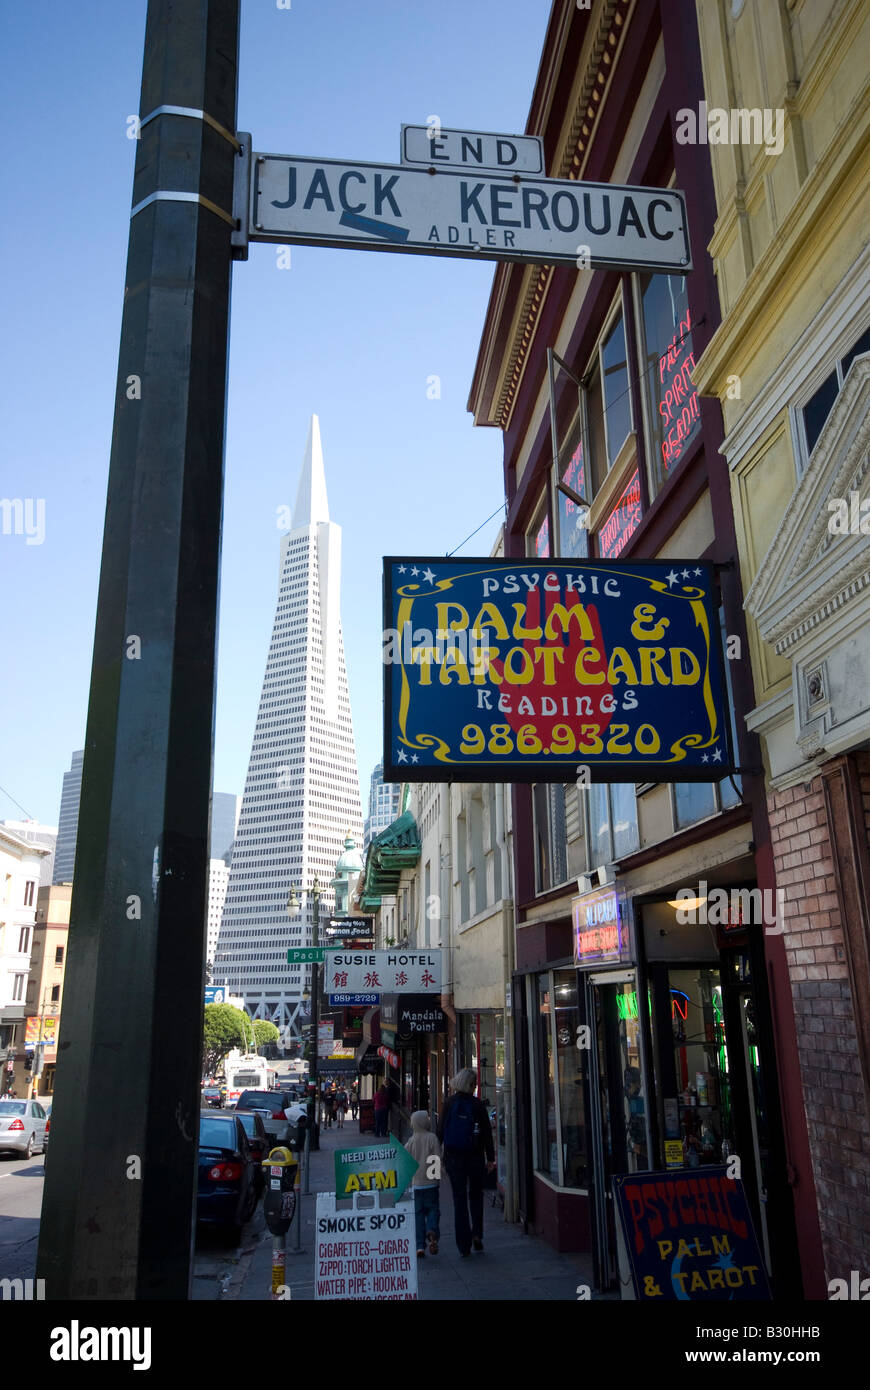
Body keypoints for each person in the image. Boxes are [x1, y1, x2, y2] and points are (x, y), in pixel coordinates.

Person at [437, 1068, 495, 1257]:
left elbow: (440, 1132)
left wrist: (436, 1158)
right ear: (470, 1085)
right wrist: (491, 1158)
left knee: (459, 1199)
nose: (476, 1085)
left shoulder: (449, 1103)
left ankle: (463, 1244)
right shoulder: (477, 1105)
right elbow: (487, 1133)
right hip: (475, 1156)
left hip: (454, 1157)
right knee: (476, 1196)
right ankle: (477, 1234)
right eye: (474, 1083)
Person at [405, 1111, 442, 1257]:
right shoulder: (432, 1138)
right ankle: (432, 1230)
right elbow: (437, 1157)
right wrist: (435, 1178)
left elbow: (405, 1156)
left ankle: (420, 1246)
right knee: (433, 1209)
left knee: (418, 1215)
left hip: (417, 1184)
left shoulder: (412, 1140)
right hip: (430, 1182)